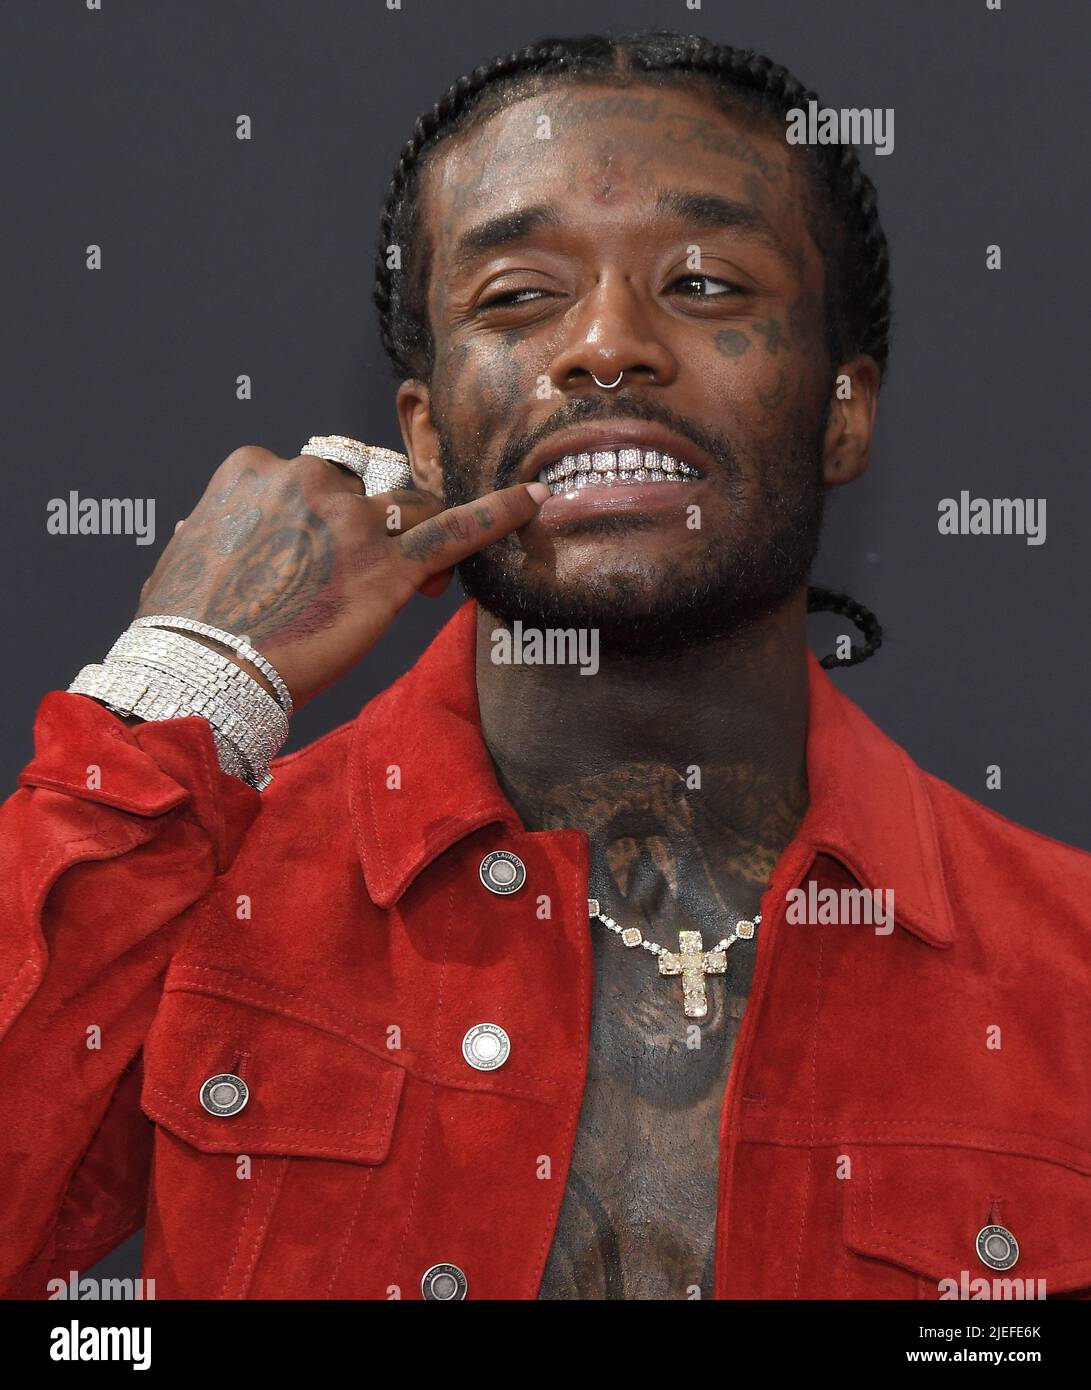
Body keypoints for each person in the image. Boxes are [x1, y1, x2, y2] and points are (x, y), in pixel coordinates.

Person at [1, 30, 1088, 1303]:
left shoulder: (1062, 971)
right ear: (426, 431)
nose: (606, 344)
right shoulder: (191, 892)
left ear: (840, 409)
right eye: (517, 296)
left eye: (703, 284)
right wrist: (177, 691)